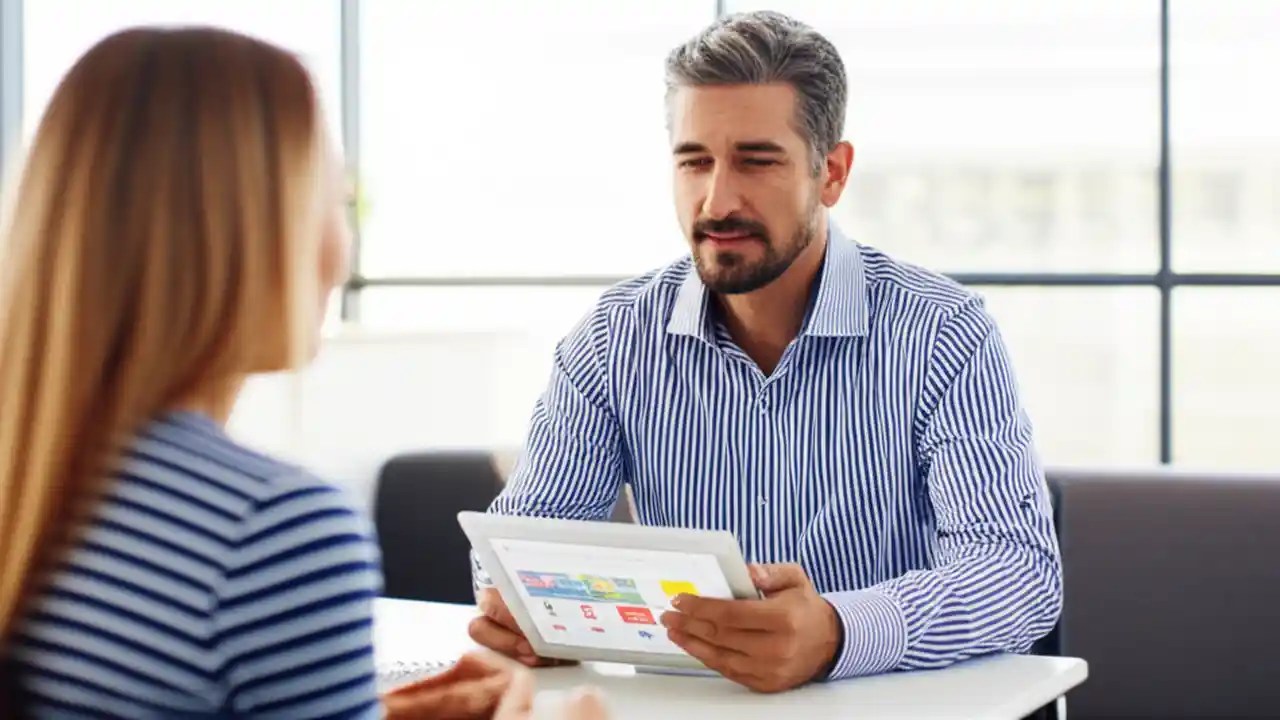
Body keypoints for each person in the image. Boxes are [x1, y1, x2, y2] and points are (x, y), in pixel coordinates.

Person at [0, 26, 604, 720]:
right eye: (335, 204)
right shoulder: (270, 529)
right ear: (254, 233)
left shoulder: (37, 479)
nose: (341, 247)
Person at [468, 10, 1062, 694]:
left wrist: (837, 632)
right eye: (695, 161)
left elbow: (1017, 577)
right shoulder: (613, 338)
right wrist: (517, 608)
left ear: (831, 173)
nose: (718, 199)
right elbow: (521, 548)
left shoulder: (941, 333)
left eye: (757, 160)